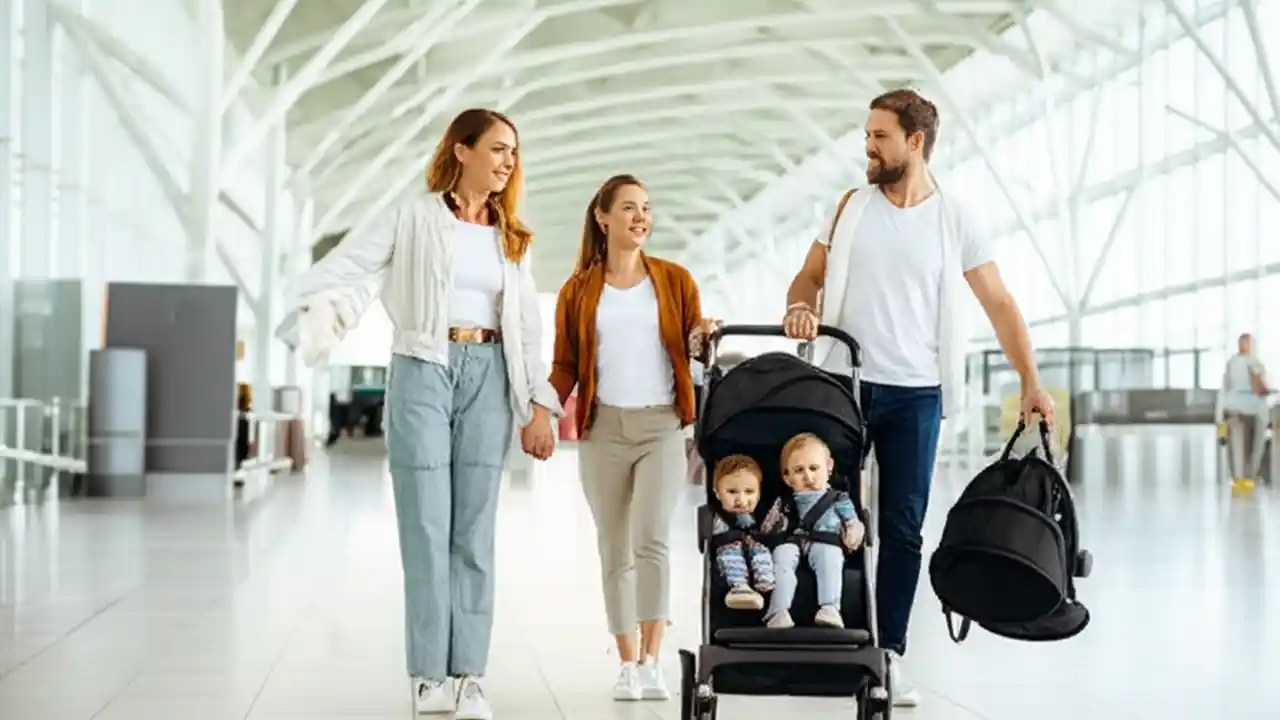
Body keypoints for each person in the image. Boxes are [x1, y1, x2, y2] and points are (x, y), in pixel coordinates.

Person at [276, 108, 560, 720]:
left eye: (514, 151)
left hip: (491, 373)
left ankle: (470, 676)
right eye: (498, 148)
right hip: (422, 368)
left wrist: (541, 402)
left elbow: (529, 330)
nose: (509, 161)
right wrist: (318, 317)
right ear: (462, 151)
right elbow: (350, 268)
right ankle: (429, 675)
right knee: (427, 530)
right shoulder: (411, 216)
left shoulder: (514, 237)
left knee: (475, 535)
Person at [781, 88, 1055, 708]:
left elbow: (1001, 304)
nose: (869, 148)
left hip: (916, 395)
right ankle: (830, 636)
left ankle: (888, 654)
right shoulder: (851, 207)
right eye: (867, 136)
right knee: (827, 516)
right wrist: (800, 304)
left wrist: (1031, 381)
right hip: (846, 385)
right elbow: (810, 273)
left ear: (916, 142)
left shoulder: (955, 218)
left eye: (880, 137)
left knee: (902, 529)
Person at [548, 173, 719, 703]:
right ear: (603, 217)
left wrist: (701, 338)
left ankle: (653, 660)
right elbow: (565, 366)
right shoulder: (578, 291)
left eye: (646, 208)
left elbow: (694, 350)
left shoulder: (673, 279)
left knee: (651, 539)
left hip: (662, 426)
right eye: (628, 208)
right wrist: (539, 411)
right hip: (603, 430)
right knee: (613, 546)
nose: (641, 216)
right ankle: (626, 663)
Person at [759, 433, 864, 630]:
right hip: (792, 540)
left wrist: (853, 533)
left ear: (829, 466)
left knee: (829, 557)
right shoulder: (786, 501)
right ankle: (778, 611)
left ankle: (830, 607)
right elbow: (767, 527)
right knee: (782, 557)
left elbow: (852, 521)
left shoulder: (838, 499)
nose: (808, 476)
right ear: (787, 477)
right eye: (799, 471)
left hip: (826, 540)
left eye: (814, 468)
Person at [709, 454, 776, 610]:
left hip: (753, 545)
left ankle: (764, 582)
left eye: (749, 492)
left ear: (759, 494)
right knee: (730, 554)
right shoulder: (718, 516)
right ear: (718, 493)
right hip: (728, 547)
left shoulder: (762, 516)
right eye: (732, 492)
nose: (741, 499)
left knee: (762, 551)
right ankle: (739, 587)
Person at [1216, 332, 1273, 491]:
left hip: (1234, 410)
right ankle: (1248, 479)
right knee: (1255, 448)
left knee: (1237, 448)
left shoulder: (1232, 364)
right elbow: (1264, 390)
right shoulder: (1256, 363)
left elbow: (1222, 395)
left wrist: (1220, 428)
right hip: (1255, 411)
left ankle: (1239, 480)